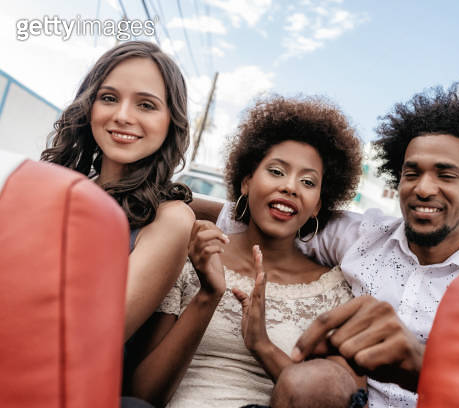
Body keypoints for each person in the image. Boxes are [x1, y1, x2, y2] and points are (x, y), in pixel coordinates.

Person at [209, 84, 459, 407]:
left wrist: (425, 364)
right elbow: (265, 214)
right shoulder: (359, 237)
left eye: (446, 175)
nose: (423, 188)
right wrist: (174, 206)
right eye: (412, 173)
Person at [126, 95, 367, 407]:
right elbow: (142, 395)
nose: (290, 187)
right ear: (246, 182)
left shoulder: (334, 292)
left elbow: (340, 401)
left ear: (318, 204)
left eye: (308, 181)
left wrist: (261, 344)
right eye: (277, 172)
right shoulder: (194, 259)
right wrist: (208, 295)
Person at [40, 40, 194, 343]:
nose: (123, 115)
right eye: (109, 98)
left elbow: (96, 334)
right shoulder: (57, 187)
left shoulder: (171, 219)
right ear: (88, 106)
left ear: (169, 122)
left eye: (146, 105)